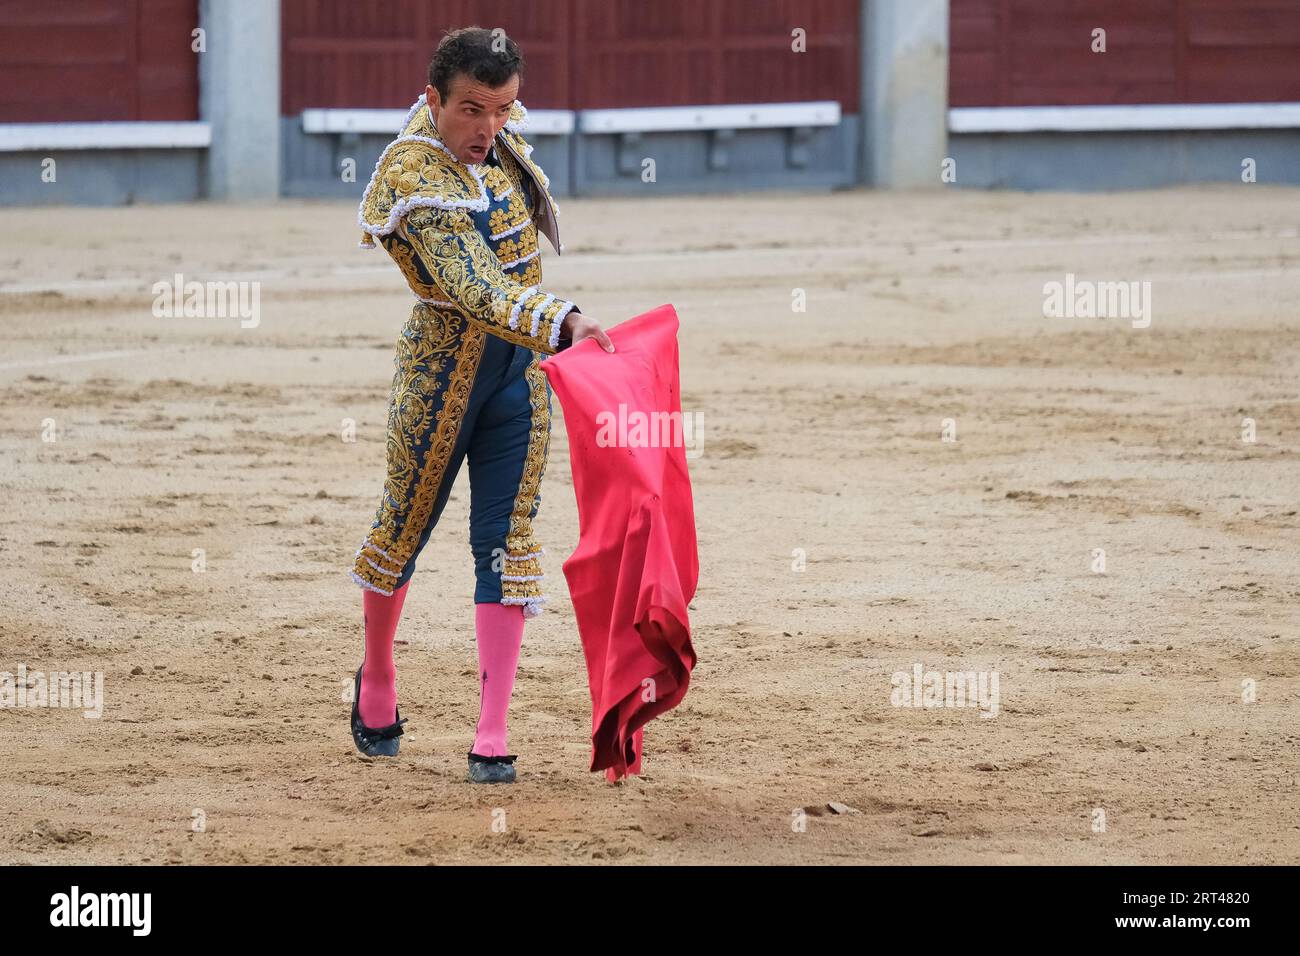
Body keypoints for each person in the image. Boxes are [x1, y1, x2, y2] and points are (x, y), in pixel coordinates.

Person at [347, 26, 613, 783]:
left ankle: (492, 732)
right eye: (471, 109)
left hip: (518, 379)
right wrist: (563, 321)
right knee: (402, 527)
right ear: (433, 99)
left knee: (508, 540)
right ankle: (378, 679)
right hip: (441, 375)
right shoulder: (413, 174)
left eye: (501, 110)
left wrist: (549, 336)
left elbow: (518, 260)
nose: (488, 128)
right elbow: (475, 288)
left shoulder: (497, 139)